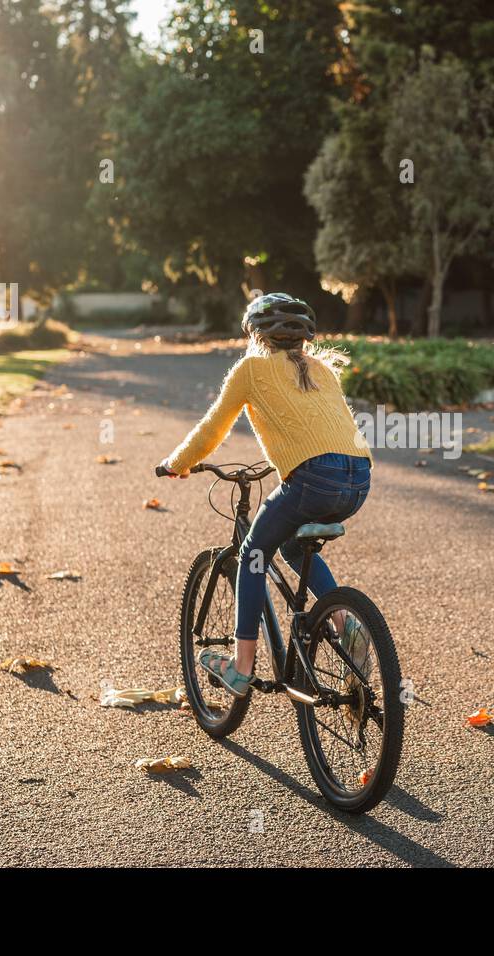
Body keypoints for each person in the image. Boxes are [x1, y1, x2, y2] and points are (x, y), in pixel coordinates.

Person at [159, 293, 372, 696]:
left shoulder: (252, 369)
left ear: (256, 335)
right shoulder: (321, 370)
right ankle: (347, 625)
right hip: (359, 478)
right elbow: (322, 428)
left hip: (312, 480)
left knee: (253, 553)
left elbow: (212, 429)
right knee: (292, 546)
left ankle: (240, 669)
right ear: (303, 339)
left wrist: (177, 462)